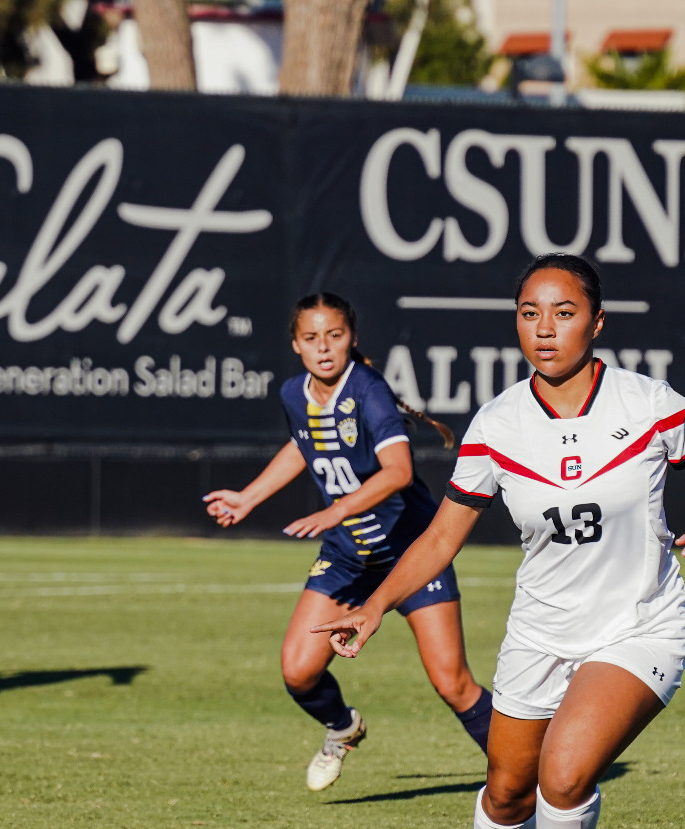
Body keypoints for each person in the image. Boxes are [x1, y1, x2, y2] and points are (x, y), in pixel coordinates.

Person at [313, 254, 685, 829]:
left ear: (598, 322)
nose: (545, 329)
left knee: (566, 771)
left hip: (638, 624)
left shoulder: (649, 404)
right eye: (529, 313)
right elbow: (439, 538)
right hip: (540, 631)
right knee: (508, 786)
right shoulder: (497, 424)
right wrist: (372, 607)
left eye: (564, 312)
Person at [204, 292, 494, 790]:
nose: (324, 348)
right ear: (295, 344)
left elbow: (399, 472)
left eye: (334, 336)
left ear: (352, 339)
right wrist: (249, 497)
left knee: (453, 683)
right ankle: (343, 728)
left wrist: (336, 509)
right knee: (297, 671)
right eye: (312, 338)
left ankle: (525, 772)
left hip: (411, 553)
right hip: (348, 555)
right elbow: (303, 445)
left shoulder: (369, 390)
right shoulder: (295, 393)